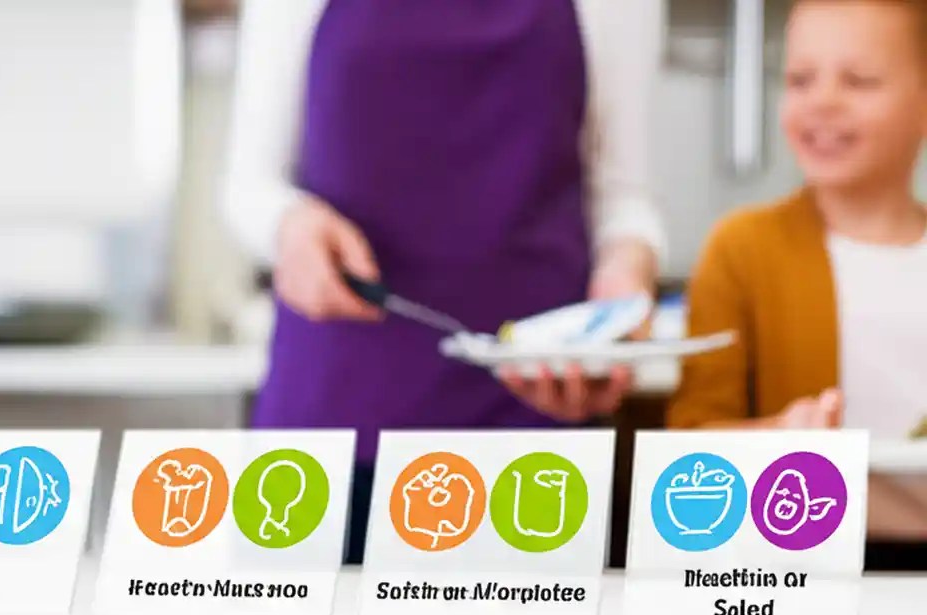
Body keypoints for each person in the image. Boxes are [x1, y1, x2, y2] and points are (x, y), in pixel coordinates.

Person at [223, 0, 667, 562]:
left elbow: (623, 195)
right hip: (326, 437)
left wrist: (625, 273)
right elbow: (248, 186)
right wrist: (289, 226)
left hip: (536, 444)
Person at [669, 0, 927, 564]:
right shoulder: (742, 249)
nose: (822, 102)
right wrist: (777, 435)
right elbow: (685, 446)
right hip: (802, 569)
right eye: (799, 79)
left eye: (858, 81)